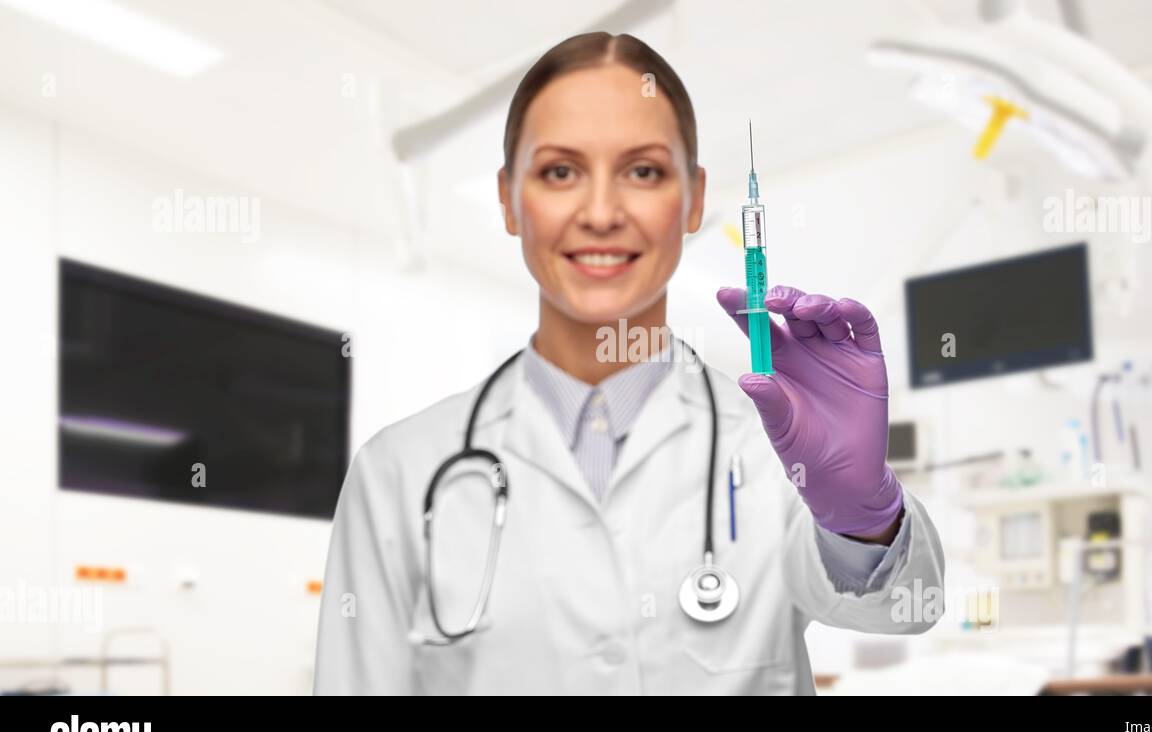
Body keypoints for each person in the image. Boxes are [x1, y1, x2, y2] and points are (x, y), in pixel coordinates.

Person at [313, 31, 944, 695]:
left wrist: (867, 512)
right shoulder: (398, 472)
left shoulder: (773, 448)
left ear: (695, 199)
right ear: (508, 198)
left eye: (643, 170)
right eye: (560, 171)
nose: (602, 212)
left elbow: (909, 607)